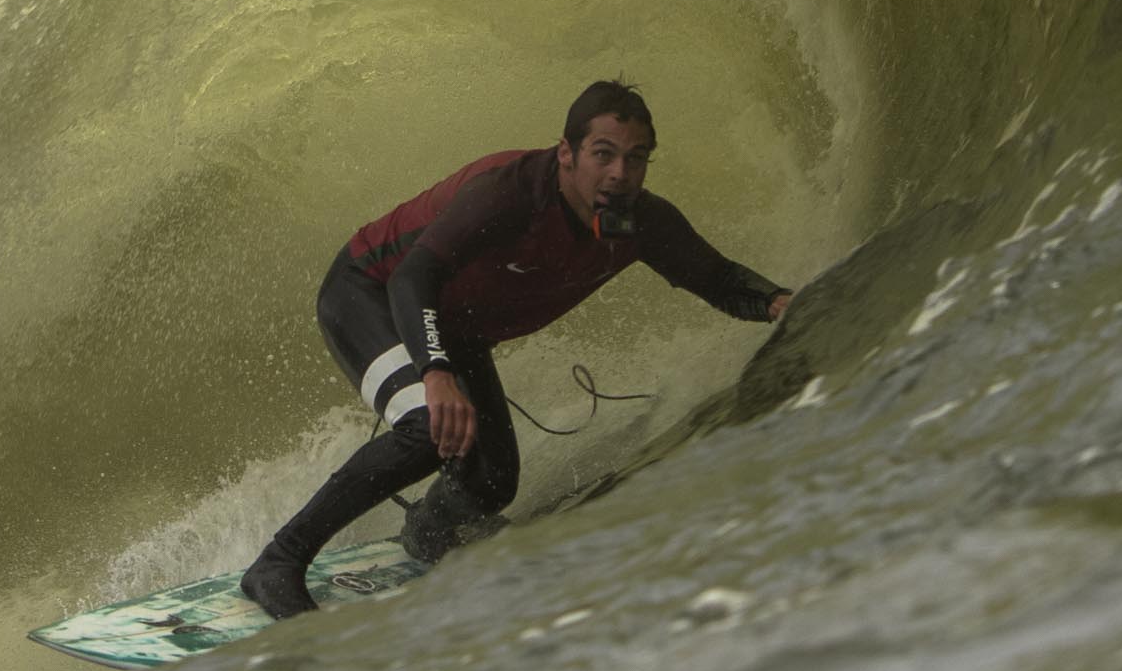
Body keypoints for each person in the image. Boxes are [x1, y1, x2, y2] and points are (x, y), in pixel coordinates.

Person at [240, 77, 795, 619]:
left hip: (457, 325)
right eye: (603, 154)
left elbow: (718, 279)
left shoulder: (639, 223)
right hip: (373, 292)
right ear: (566, 154)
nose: (619, 173)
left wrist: (779, 302)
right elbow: (415, 278)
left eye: (636, 158)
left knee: (491, 482)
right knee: (425, 424)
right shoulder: (509, 194)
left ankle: (428, 530)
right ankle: (278, 561)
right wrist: (434, 371)